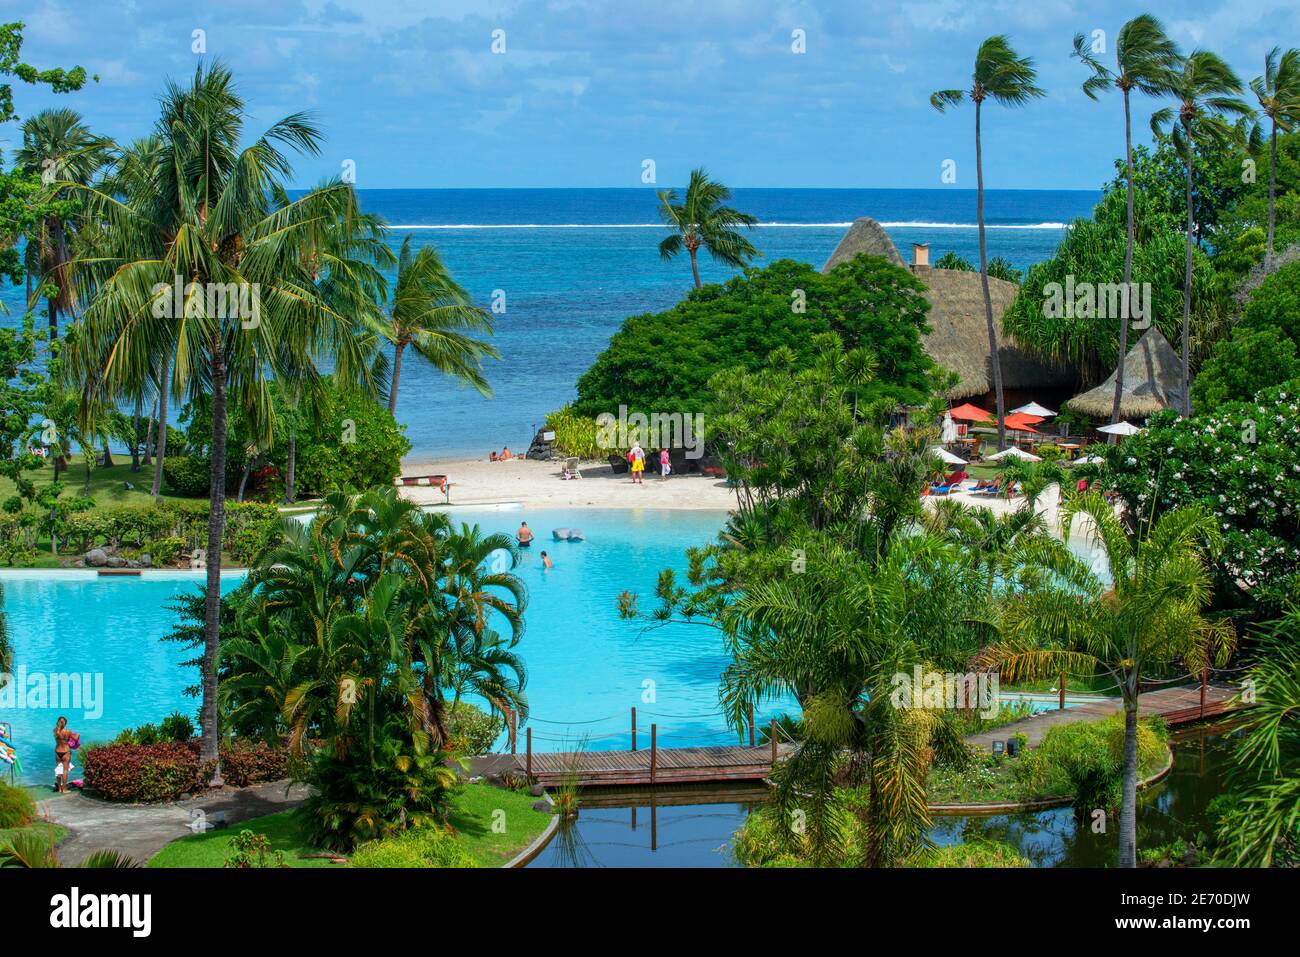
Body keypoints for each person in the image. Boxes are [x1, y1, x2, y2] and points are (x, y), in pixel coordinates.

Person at [53, 716, 74, 793]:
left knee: (58, 770)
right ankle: (64, 789)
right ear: (65, 723)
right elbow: (75, 739)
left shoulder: (55, 731)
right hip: (65, 752)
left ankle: (59, 788)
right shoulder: (68, 732)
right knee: (65, 771)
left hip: (57, 752)